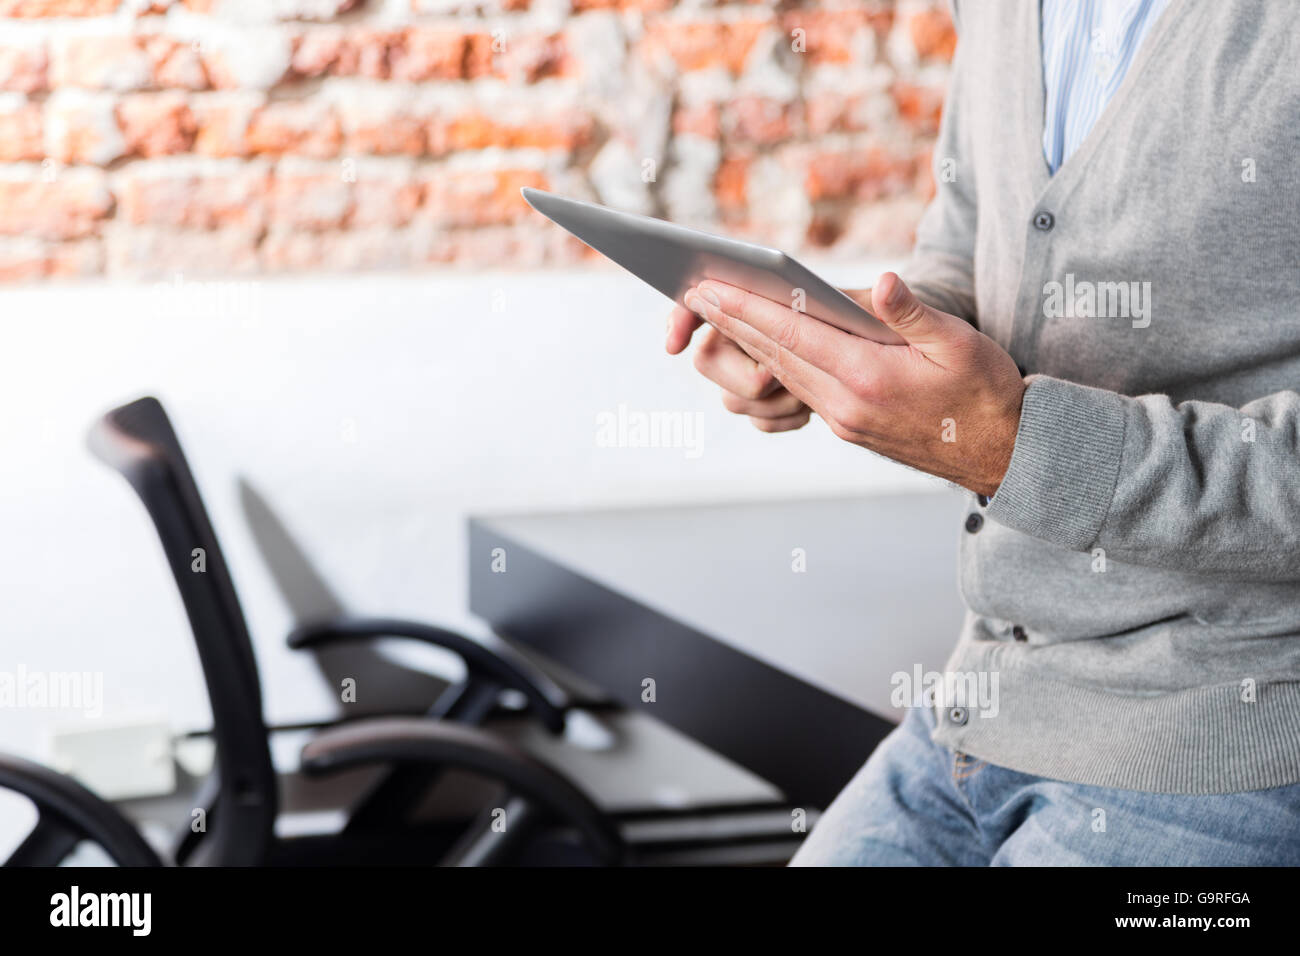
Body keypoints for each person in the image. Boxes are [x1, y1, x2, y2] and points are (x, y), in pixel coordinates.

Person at [667, 0, 1300, 865]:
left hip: (1232, 746)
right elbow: (967, 246)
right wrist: (835, 341)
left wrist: (1016, 446)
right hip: (983, 700)